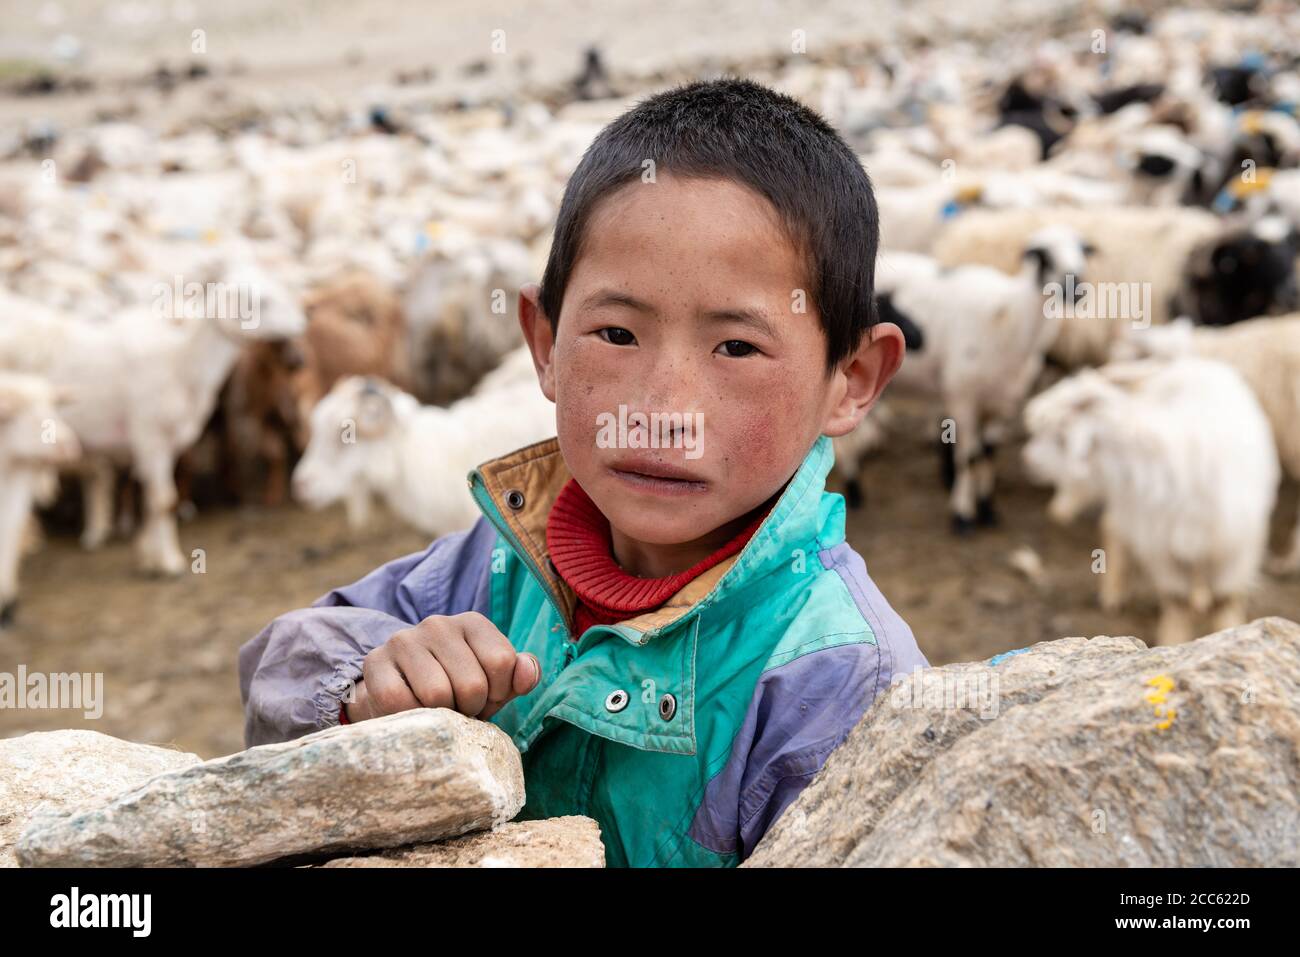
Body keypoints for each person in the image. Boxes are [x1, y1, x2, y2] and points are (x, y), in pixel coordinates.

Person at [239, 77, 929, 867]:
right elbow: (278, 667)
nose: (663, 408)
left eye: (736, 346)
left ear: (853, 378)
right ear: (543, 345)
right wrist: (364, 679)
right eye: (615, 333)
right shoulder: (499, 563)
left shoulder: (840, 682)